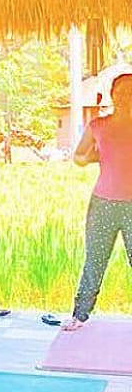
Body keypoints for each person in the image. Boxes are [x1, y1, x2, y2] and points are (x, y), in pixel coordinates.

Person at [62, 72, 132, 332]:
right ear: (113, 95)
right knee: (95, 259)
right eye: (122, 92)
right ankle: (80, 314)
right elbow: (79, 156)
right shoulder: (98, 126)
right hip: (103, 203)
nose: (127, 96)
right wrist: (98, 155)